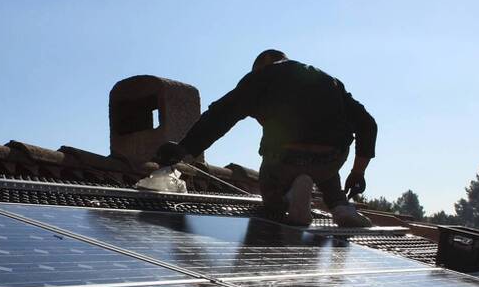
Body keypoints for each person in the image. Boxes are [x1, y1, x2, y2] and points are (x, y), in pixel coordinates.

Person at [154, 50, 376, 227]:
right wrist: (358, 173)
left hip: (284, 161)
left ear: (266, 62)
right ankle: (341, 207)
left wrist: (185, 148)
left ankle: (286, 199)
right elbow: (367, 124)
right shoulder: (331, 82)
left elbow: (221, 114)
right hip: (329, 161)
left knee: (271, 195)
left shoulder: (262, 77)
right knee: (323, 157)